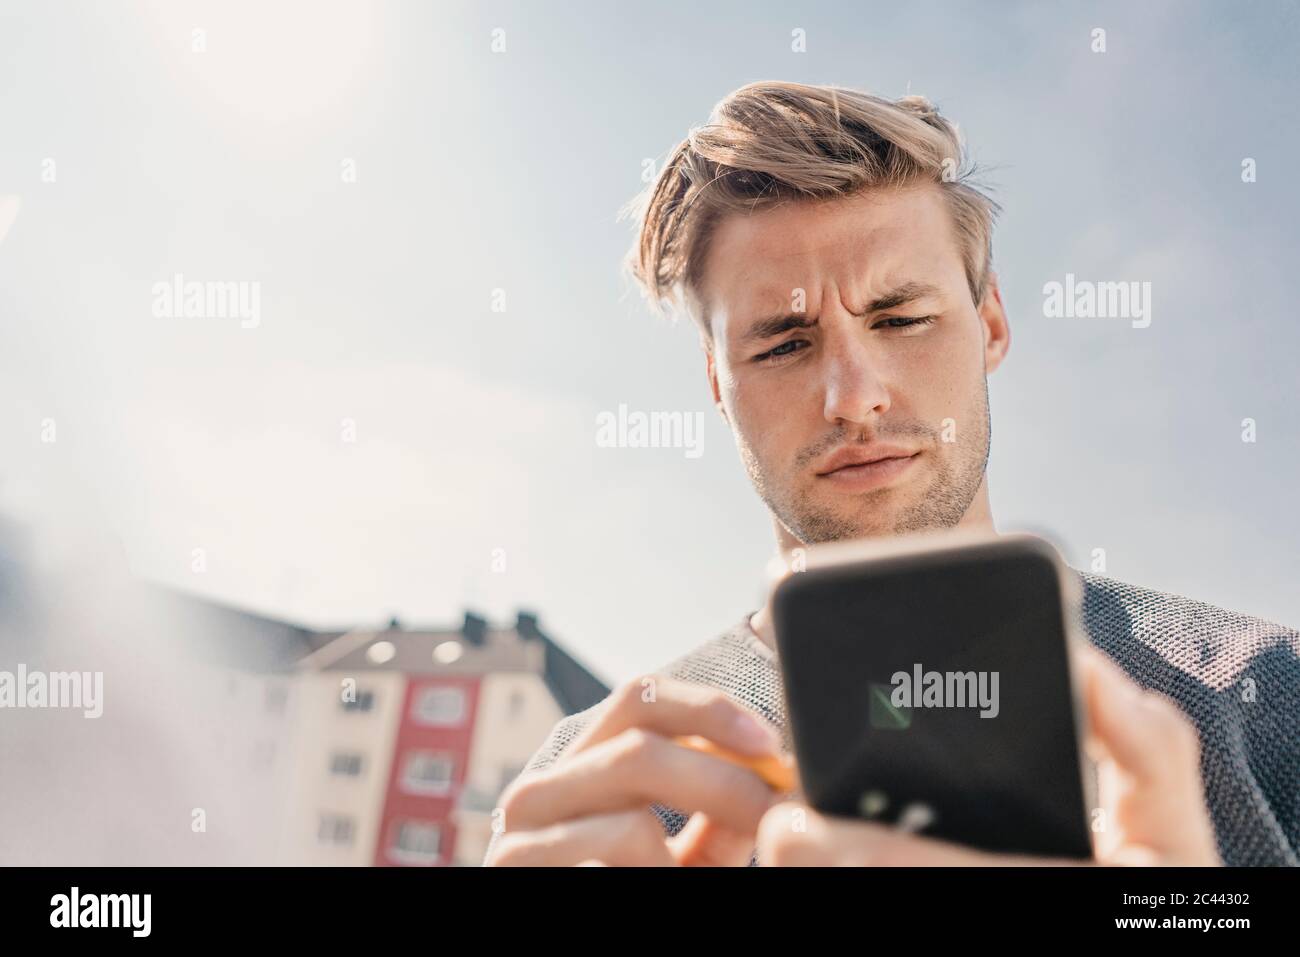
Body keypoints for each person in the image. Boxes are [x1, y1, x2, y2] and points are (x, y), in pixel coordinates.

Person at [483, 81, 1298, 867]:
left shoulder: (1274, 695)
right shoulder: (599, 793)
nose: (854, 399)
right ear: (716, 384)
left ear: (990, 325)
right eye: (782, 344)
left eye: (902, 318)